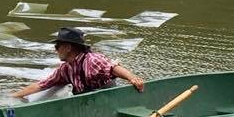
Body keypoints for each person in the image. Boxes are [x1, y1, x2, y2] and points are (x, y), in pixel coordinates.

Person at [11, 27, 145, 99]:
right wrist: (15, 96)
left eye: (58, 46)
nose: (55, 49)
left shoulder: (92, 61)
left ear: (68, 48)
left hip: (108, 102)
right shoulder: (66, 69)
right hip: (87, 105)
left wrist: (132, 78)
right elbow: (43, 85)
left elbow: (113, 68)